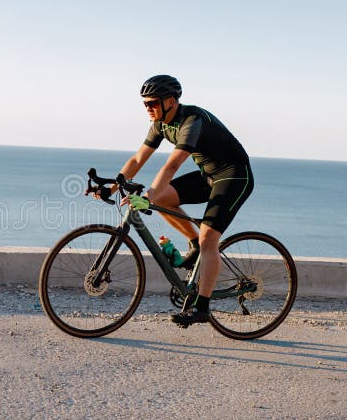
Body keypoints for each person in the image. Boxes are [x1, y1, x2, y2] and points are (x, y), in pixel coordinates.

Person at [102, 75, 253, 326]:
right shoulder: (160, 123)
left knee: (209, 238)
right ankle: (194, 244)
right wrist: (112, 186)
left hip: (235, 175)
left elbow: (172, 165)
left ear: (170, 101)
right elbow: (138, 159)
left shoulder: (192, 120)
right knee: (165, 201)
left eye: (152, 103)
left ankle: (202, 307)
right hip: (209, 176)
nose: (148, 108)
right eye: (145, 104)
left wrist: (148, 197)